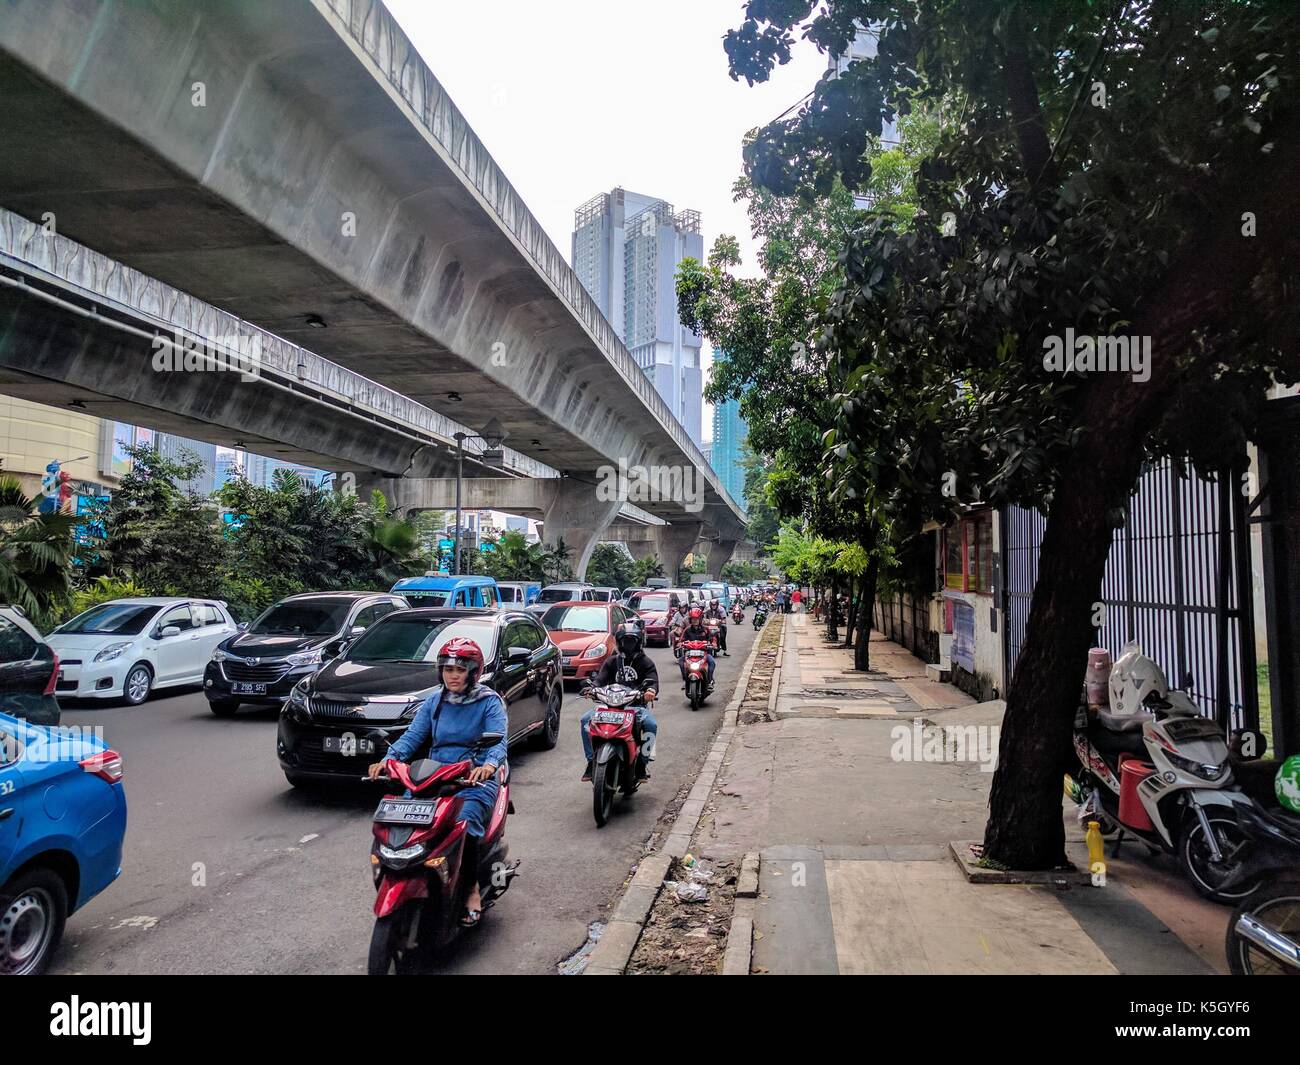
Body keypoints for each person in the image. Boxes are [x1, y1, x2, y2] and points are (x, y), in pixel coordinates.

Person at [367, 636, 506, 929]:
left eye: (460, 669)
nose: (453, 675)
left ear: (473, 672)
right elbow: (411, 738)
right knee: (400, 817)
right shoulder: (435, 701)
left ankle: (470, 889)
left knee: (463, 824)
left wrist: (489, 765)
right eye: (447, 669)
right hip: (433, 775)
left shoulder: (489, 702)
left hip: (473, 777)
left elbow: (498, 740)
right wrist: (388, 760)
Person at [579, 622, 658, 781]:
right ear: (620, 642)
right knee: (585, 720)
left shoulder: (646, 662)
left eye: (632, 641)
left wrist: (650, 691)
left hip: (635, 707)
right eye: (625, 641)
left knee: (651, 725)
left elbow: (653, 682)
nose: (628, 644)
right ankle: (590, 761)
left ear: (638, 642)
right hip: (609, 706)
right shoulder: (611, 661)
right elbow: (599, 680)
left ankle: (642, 764)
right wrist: (591, 688)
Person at [678, 606, 717, 688]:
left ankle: (709, 680)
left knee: (712, 662)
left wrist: (713, 644)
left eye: (696, 619)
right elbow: (681, 640)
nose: (694, 621)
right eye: (692, 619)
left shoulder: (706, 629)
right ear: (690, 620)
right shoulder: (687, 630)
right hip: (689, 654)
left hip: (704, 653)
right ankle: (686, 680)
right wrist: (680, 644)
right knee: (681, 661)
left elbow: (712, 638)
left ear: (700, 619)